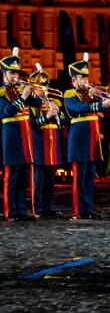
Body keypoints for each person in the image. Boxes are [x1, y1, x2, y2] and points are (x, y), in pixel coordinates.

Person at [62, 53, 110, 219]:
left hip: (92, 141)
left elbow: (105, 108)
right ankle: (79, 210)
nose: (85, 81)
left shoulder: (90, 94)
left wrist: (107, 98)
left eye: (86, 77)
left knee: (89, 177)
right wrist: (100, 103)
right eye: (81, 78)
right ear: (74, 80)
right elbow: (79, 108)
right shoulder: (69, 94)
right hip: (79, 141)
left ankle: (88, 208)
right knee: (79, 178)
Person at [1, 48, 36, 221]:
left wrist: (35, 92)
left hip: (24, 138)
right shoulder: (1, 92)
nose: (15, 76)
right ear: (4, 74)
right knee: (12, 177)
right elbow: (6, 112)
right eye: (11, 73)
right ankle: (11, 211)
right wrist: (23, 97)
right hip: (12, 138)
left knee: (23, 178)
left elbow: (37, 103)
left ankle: (21, 210)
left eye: (16, 73)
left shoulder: (19, 89)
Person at [28, 64, 64, 218]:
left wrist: (58, 113)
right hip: (38, 143)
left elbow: (64, 122)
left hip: (52, 144)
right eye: (41, 87)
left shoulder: (52, 101)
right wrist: (47, 116)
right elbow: (31, 123)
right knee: (39, 178)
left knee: (50, 178)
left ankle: (48, 207)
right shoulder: (30, 103)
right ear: (34, 88)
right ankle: (38, 208)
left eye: (46, 86)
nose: (44, 89)